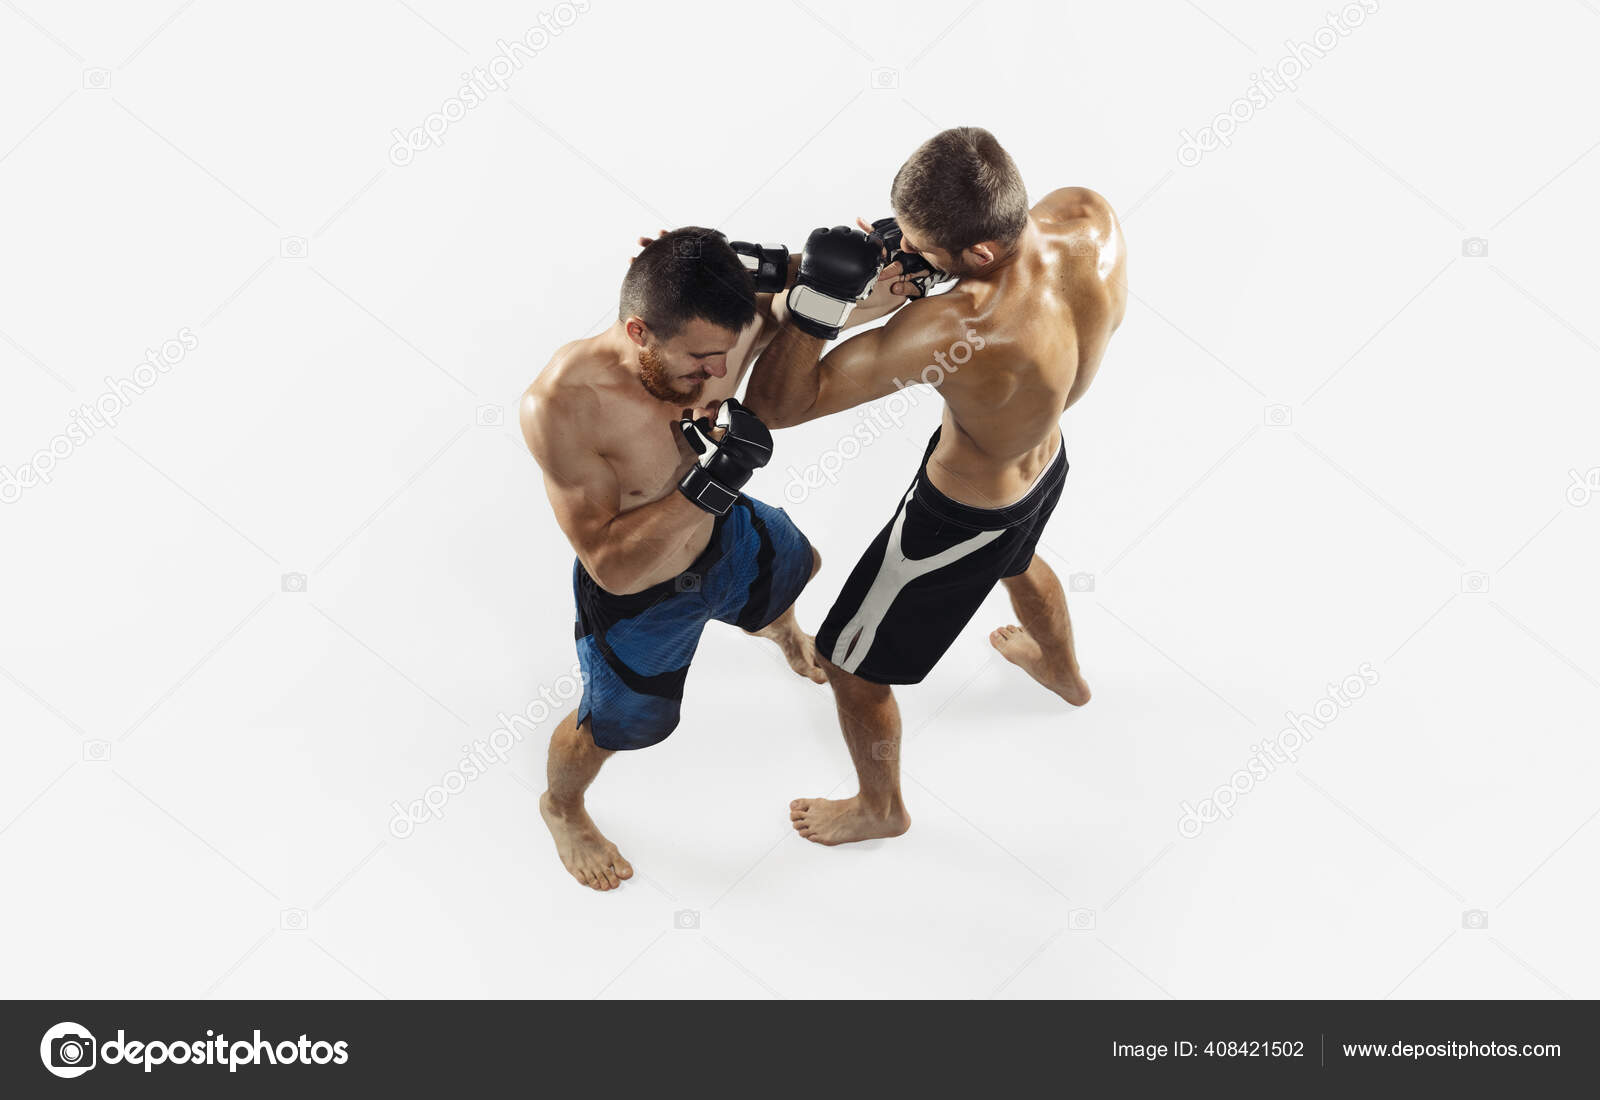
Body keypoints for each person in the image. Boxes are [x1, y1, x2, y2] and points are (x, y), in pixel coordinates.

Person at [744, 127, 1128, 846]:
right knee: (1015, 558)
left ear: (979, 253)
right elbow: (998, 254)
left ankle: (879, 808)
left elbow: (777, 408)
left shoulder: (962, 324)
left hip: (957, 518)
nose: (910, 255)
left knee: (848, 664)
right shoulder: (1085, 215)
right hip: (1046, 464)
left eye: (922, 247)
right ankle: (1064, 675)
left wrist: (821, 300)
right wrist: (923, 253)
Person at [520, 227, 904, 890]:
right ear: (640, 332)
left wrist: (897, 268)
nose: (720, 378)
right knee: (611, 728)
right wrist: (716, 477)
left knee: (799, 564)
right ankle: (562, 807)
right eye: (699, 360)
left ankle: (779, 631)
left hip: (724, 531)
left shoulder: (722, 319)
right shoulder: (564, 405)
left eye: (727, 355)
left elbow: (846, 296)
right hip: (644, 590)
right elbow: (610, 564)